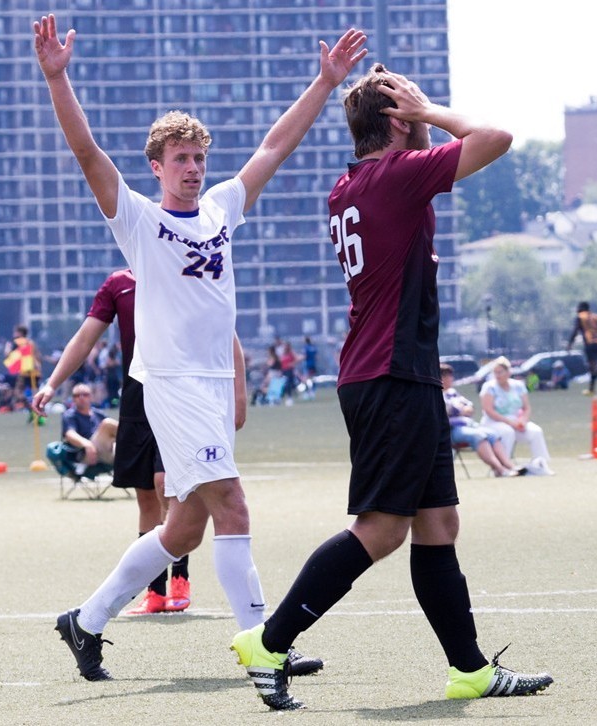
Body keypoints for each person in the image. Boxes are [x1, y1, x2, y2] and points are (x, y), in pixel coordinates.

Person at [33, 14, 364, 682]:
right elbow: (88, 153)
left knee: (183, 531)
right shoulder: (139, 220)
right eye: (180, 159)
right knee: (234, 504)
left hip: (212, 386)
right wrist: (57, 77)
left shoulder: (218, 208)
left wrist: (325, 85)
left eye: (198, 158)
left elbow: (272, 148)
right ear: (156, 167)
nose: (193, 168)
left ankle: (86, 620)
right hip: (174, 384)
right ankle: (264, 643)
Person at [229, 62, 551, 711]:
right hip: (388, 376)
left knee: (438, 522)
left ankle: (469, 669)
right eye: (406, 107)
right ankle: (269, 642)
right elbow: (495, 137)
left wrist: (410, 115)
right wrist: (429, 110)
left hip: (398, 375)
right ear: (396, 120)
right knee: (380, 530)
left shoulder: (351, 185)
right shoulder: (394, 176)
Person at [31, 268, 193, 616]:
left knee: (167, 485)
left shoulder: (180, 270)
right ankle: (155, 591)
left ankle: (181, 579)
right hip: (135, 400)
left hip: (176, 394)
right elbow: (85, 338)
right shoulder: (118, 284)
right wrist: (52, 383)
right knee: (146, 497)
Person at [441, 363, 523, 478]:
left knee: (492, 434)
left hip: (469, 425)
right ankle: (500, 470)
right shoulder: (436, 395)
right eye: (447, 376)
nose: (451, 379)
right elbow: (449, 410)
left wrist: (460, 410)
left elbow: (470, 407)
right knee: (479, 436)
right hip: (452, 430)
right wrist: (460, 410)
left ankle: (510, 466)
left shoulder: (452, 392)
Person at [479, 357, 553, 475]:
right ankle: (503, 468)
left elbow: (526, 407)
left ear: (508, 372)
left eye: (500, 372)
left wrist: (523, 420)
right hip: (493, 422)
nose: (497, 375)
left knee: (536, 431)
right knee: (507, 432)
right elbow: (488, 410)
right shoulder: (489, 387)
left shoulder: (518, 386)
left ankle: (540, 465)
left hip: (516, 421)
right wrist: (510, 422)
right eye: (495, 372)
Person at [60, 382, 118, 473]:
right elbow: (69, 434)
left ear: (91, 397)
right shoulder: (70, 415)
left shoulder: (98, 414)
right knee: (108, 424)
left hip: (107, 451)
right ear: (73, 399)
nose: (81, 397)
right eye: (77, 395)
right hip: (85, 453)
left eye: (85, 394)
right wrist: (87, 444)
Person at [567, 301, 597, 395]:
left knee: (593, 367)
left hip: (590, 345)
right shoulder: (596, 317)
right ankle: (591, 390)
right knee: (592, 367)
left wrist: (570, 343)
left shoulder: (581, 317)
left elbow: (575, 331)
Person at [4, 324, 41, 413]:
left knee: (33, 393)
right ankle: (31, 407)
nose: (14, 334)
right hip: (26, 371)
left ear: (20, 333)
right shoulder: (30, 342)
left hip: (31, 371)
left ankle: (36, 411)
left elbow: (7, 354)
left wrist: (7, 347)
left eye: (15, 332)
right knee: (20, 393)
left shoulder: (20, 343)